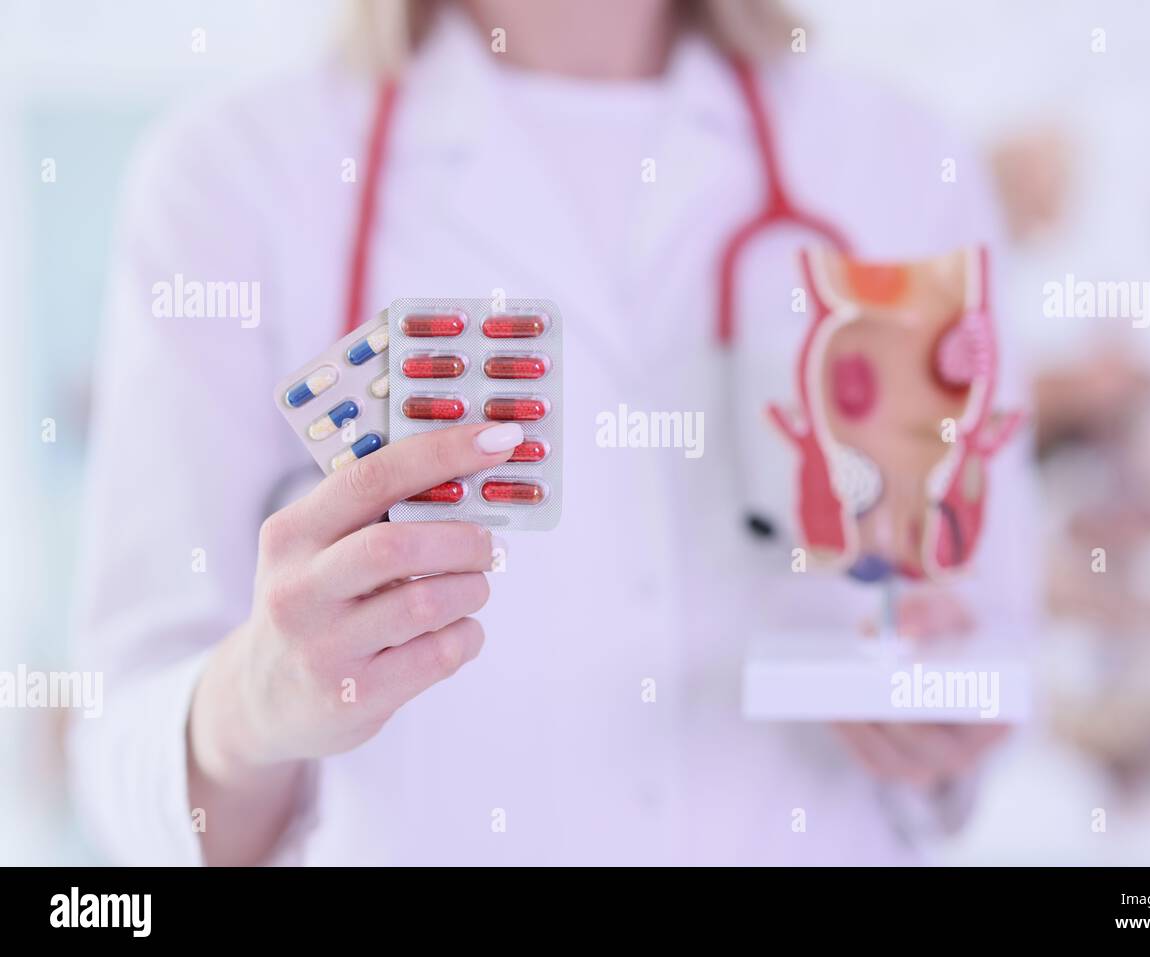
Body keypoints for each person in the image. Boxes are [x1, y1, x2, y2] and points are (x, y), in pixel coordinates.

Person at [68, 0, 1033, 865]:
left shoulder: (899, 160)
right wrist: (252, 705)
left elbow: (996, 654)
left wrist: (941, 717)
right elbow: (127, 773)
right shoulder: (231, 176)